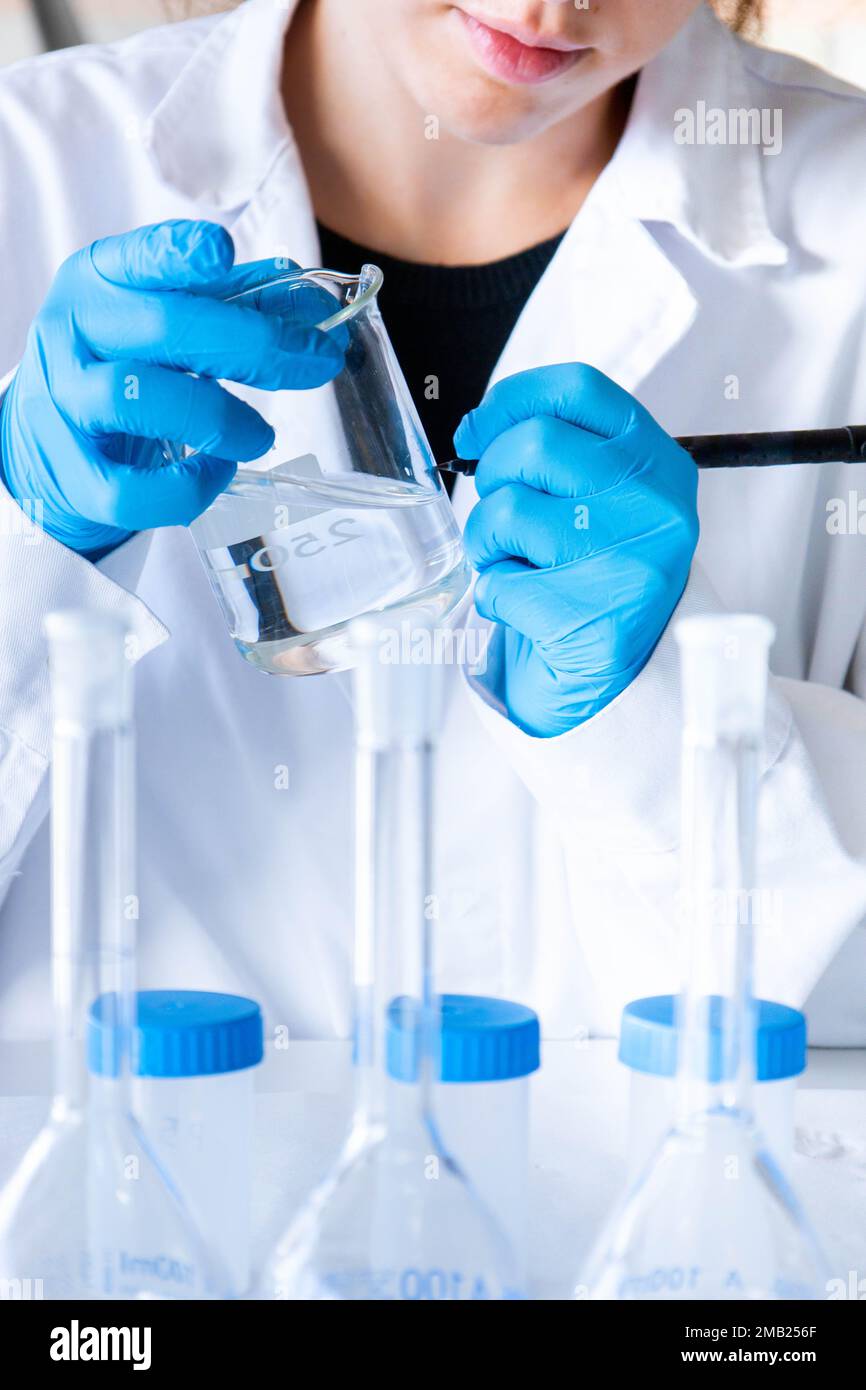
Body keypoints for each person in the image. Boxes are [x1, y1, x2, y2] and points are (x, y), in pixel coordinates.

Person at [0, 0, 864, 1045]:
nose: (547, 7)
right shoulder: (30, 164)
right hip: (111, 1180)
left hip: (632, 1192)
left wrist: (655, 717)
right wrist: (22, 540)